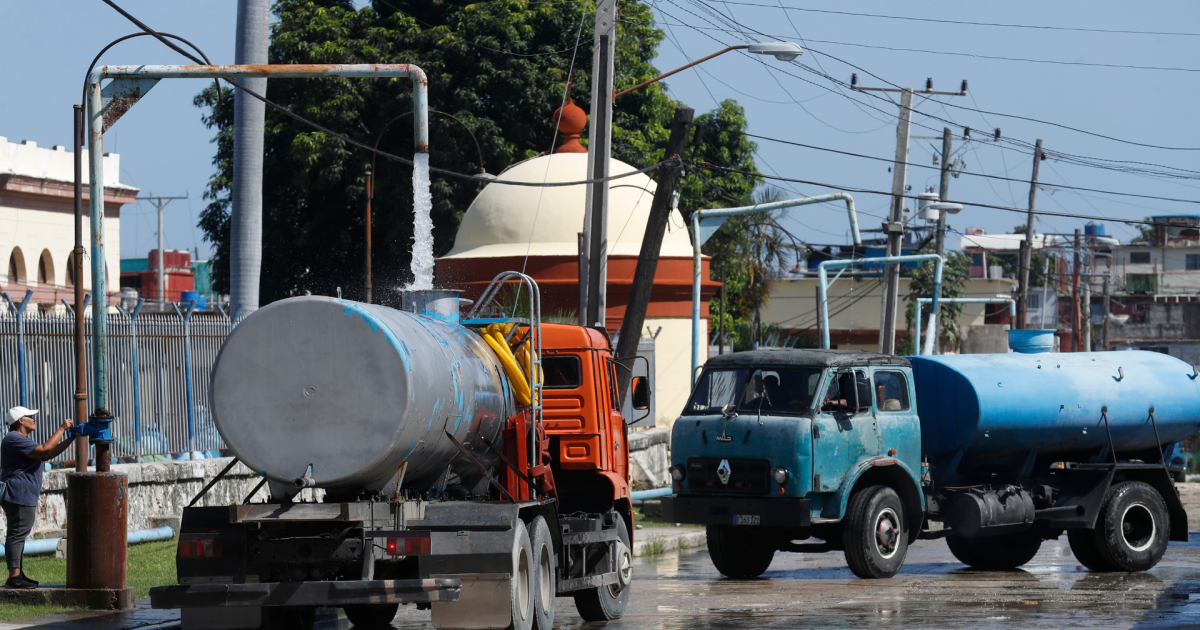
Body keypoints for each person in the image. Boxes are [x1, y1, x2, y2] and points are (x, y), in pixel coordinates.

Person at [2, 407, 74, 589]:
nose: (34, 420)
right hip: (18, 494)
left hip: (22, 494)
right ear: (20, 420)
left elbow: (47, 454)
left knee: (19, 534)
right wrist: (62, 428)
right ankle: (14, 578)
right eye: (30, 417)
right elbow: (45, 448)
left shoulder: (21, 440)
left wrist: (70, 439)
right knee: (17, 534)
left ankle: (17, 574)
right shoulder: (14, 439)